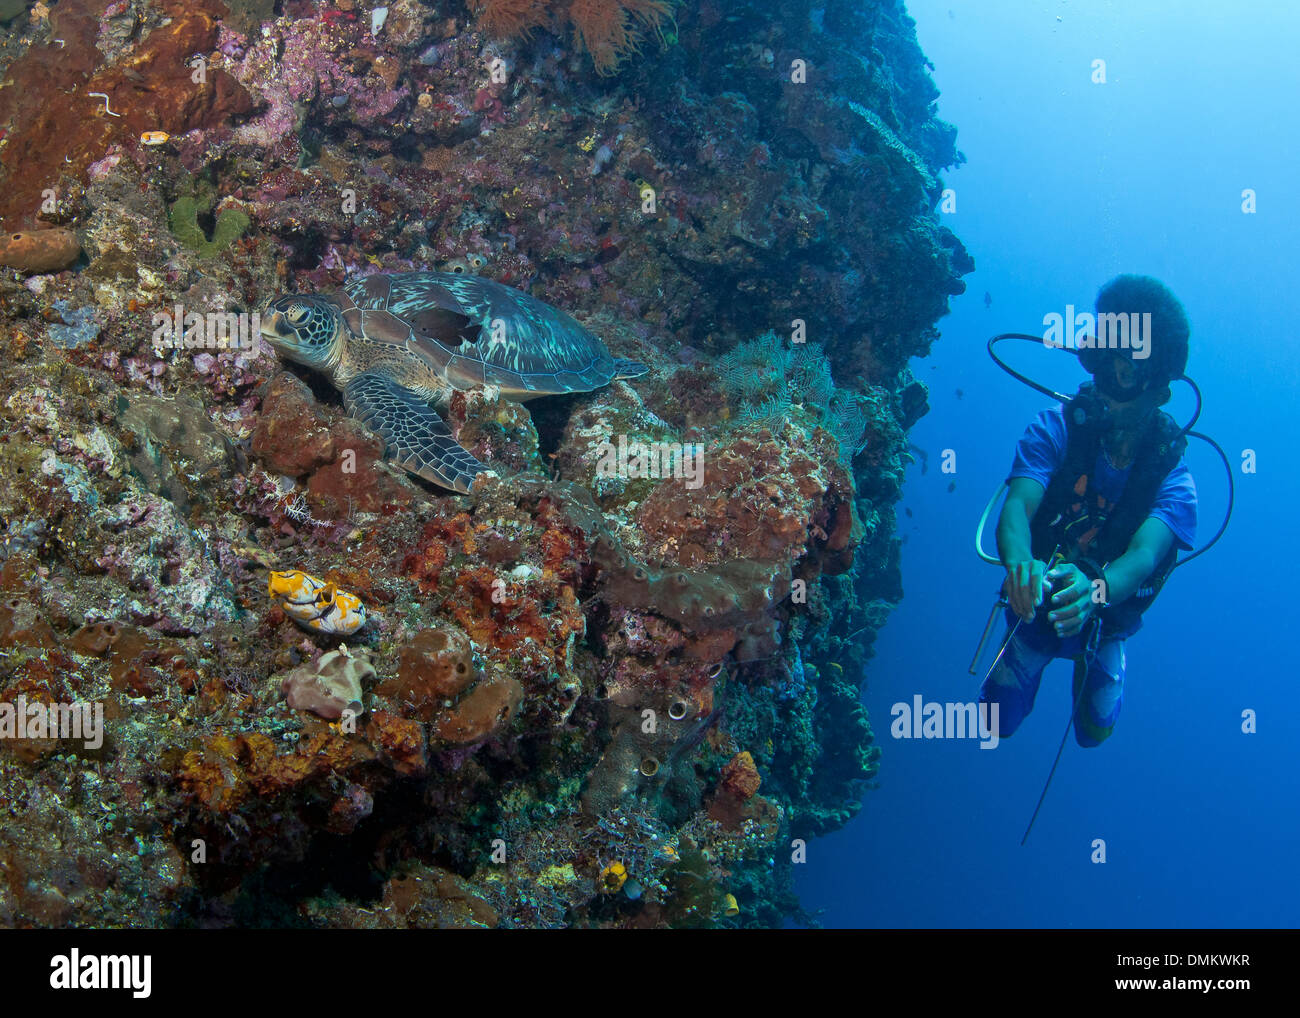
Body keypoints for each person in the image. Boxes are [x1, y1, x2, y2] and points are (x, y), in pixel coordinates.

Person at [979, 276, 1197, 746]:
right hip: (1037, 604)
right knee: (994, 723)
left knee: (1094, 733)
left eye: (1123, 373)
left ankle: (1096, 658)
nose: (1103, 385)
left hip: (1106, 618)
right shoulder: (1054, 428)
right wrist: (1020, 565)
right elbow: (1017, 506)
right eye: (1097, 358)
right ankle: (1038, 644)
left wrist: (1095, 591)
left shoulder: (1174, 483)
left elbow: (1142, 557)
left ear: (1160, 390)